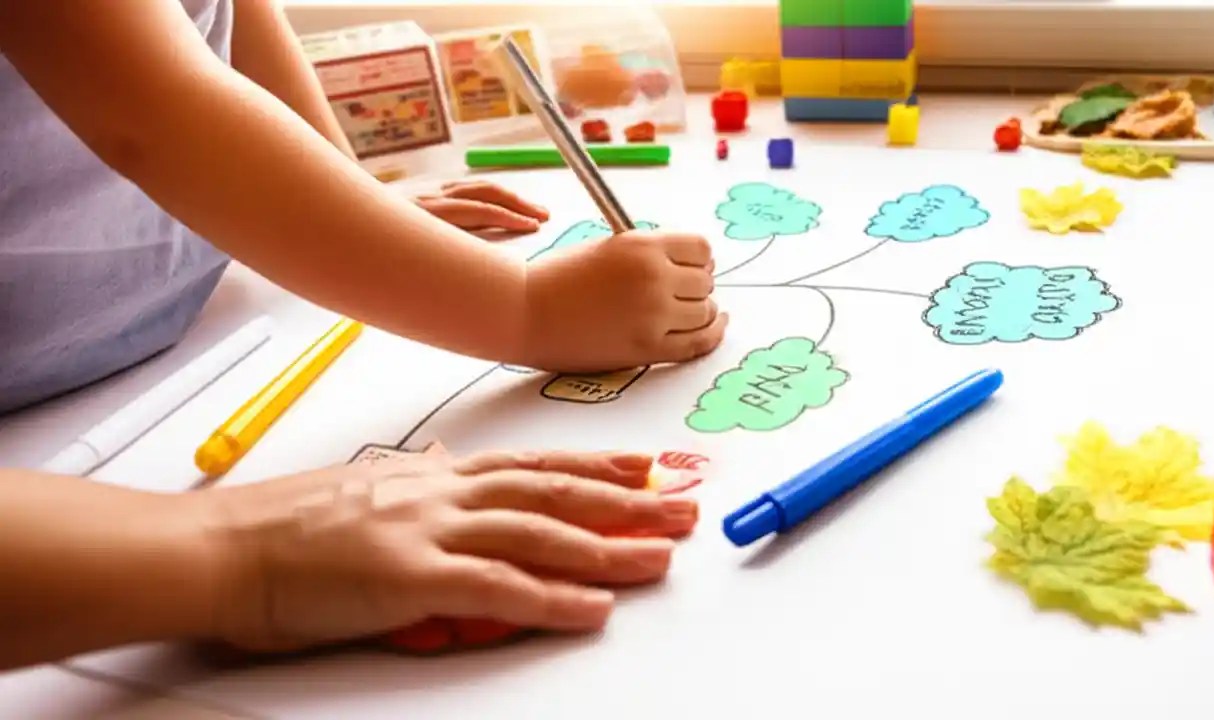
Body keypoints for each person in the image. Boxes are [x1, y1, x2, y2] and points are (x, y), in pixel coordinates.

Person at [0, 0, 720, 671]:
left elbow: (231, 15)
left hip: (164, 341)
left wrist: (353, 192)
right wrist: (529, 309)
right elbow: (153, 110)